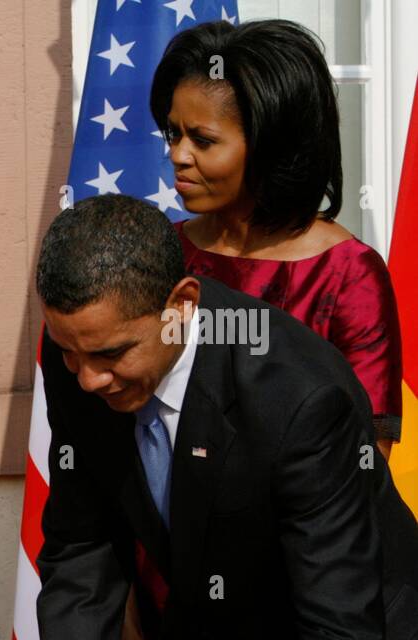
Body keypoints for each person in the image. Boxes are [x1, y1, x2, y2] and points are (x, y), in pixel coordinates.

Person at [0, 195, 418, 640]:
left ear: (181, 305)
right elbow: (82, 549)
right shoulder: (81, 350)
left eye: (111, 356)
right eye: (70, 354)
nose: (87, 381)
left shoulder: (300, 396)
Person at [151, 18, 402, 453]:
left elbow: (366, 458)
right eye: (173, 133)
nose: (177, 154)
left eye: (203, 140)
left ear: (273, 147)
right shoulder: (163, 252)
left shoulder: (347, 275)